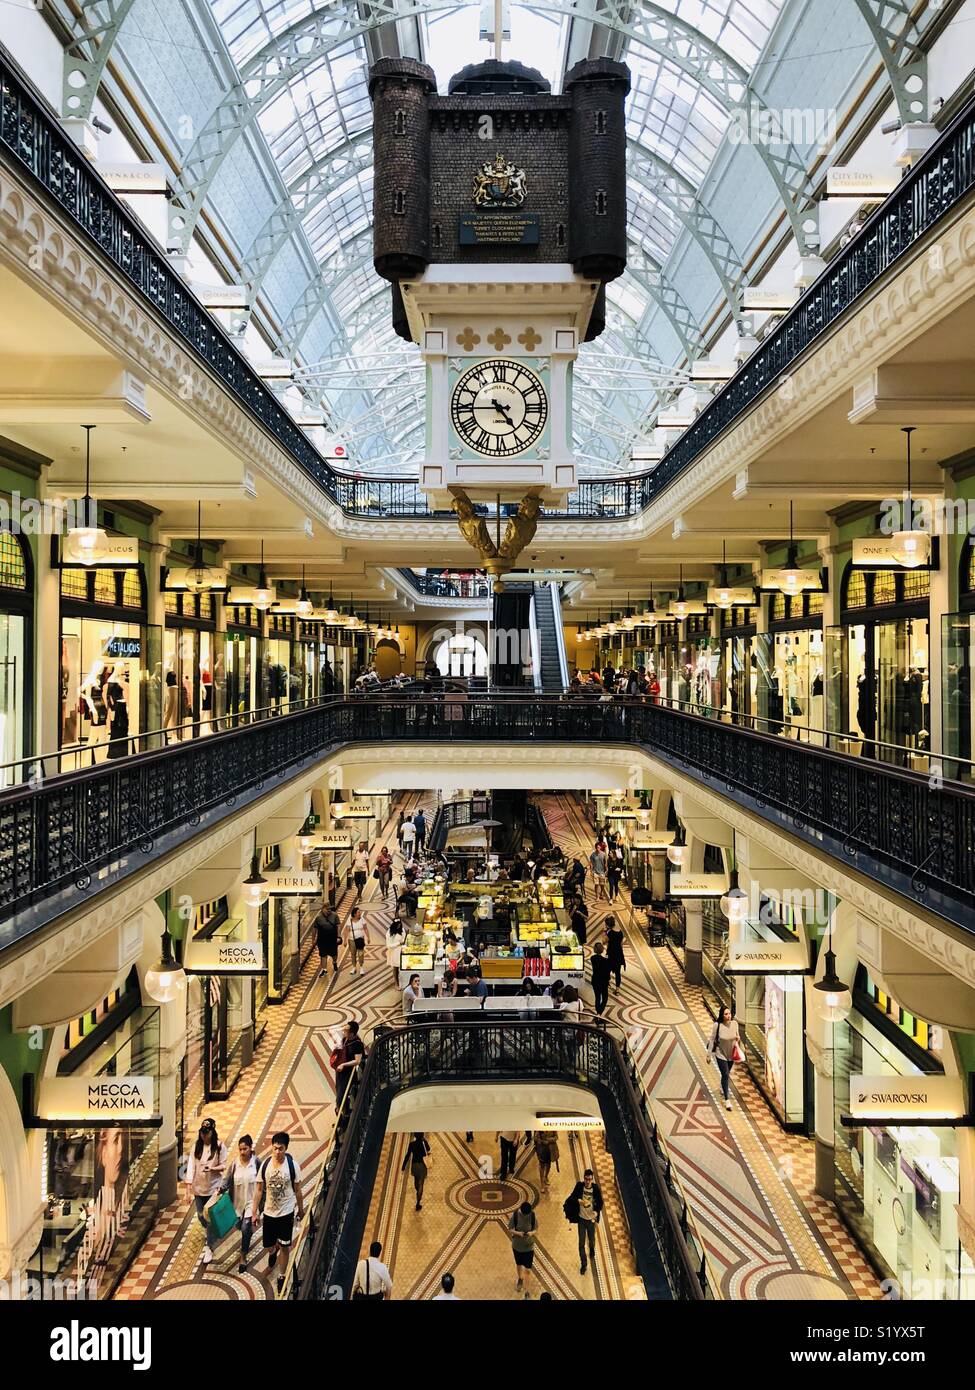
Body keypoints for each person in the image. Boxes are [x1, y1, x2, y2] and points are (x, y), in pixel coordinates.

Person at [252, 1130, 304, 1295]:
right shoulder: (266, 1165)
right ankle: (272, 1251)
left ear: (286, 1148)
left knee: (285, 1246)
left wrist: (301, 1209)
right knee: (268, 1244)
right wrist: (254, 1212)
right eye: (274, 1148)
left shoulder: (292, 1166)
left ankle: (282, 1276)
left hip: (286, 1213)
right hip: (269, 1213)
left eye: (280, 1149)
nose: (277, 1152)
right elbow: (258, 1189)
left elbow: (298, 1190)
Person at [186, 1117, 227, 1266]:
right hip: (198, 1188)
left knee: (208, 1216)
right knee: (200, 1215)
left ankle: (209, 1247)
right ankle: (210, 1230)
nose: (204, 1135)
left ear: (212, 1132)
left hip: (213, 1187)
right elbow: (191, 1167)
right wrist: (187, 1189)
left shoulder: (220, 1147)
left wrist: (212, 1168)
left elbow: (223, 1166)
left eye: (207, 1132)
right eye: (202, 1132)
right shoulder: (196, 1146)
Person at [218, 1133, 260, 1273]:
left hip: (251, 1203)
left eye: (245, 1149)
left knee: (245, 1228)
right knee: (239, 1226)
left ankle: (243, 1255)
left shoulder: (256, 1163)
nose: (242, 1152)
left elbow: (262, 1183)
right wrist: (221, 1189)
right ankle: (247, 1236)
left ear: (250, 1148)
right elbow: (227, 1179)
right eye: (240, 1149)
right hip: (237, 1203)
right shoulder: (235, 1164)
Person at [563, 1168, 603, 1276]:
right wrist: (578, 1200)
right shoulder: (579, 1186)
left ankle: (592, 1248)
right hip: (581, 1219)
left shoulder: (595, 1189)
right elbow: (571, 1197)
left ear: (592, 1179)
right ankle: (584, 1264)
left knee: (591, 1239)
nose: (588, 1181)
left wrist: (596, 1212)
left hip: (591, 1220)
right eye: (586, 1179)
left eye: (589, 1179)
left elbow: (600, 1202)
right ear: (584, 1178)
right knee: (581, 1243)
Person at [707, 1004, 741, 1111]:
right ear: (722, 1015)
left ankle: (722, 1086)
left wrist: (737, 1039)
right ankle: (727, 1100)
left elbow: (737, 1036)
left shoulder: (735, 1024)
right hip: (720, 1054)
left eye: (729, 1013)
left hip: (731, 1054)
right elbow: (712, 1039)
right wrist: (708, 1054)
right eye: (726, 1014)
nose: (728, 1016)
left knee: (725, 1075)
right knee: (725, 1074)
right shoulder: (717, 1025)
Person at [507, 1200, 539, 1297]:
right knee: (519, 1264)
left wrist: (531, 1233)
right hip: (517, 1246)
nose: (526, 1216)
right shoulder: (516, 1215)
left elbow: (536, 1229)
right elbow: (510, 1229)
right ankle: (520, 1278)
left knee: (528, 1270)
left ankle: (527, 1291)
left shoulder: (532, 1215)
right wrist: (518, 1233)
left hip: (529, 1247)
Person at [334, 1019, 365, 1111]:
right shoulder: (345, 1039)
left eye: (346, 1030)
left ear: (352, 1033)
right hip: (340, 1070)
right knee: (339, 1089)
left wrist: (344, 1064)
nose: (343, 1030)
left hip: (348, 1072)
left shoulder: (358, 1044)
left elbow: (357, 1061)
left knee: (342, 1094)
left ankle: (341, 1111)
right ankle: (342, 1109)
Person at [401, 1132, 431, 1211]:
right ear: (422, 1135)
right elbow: (428, 1149)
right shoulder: (424, 1143)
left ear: (415, 1136)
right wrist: (424, 1140)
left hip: (414, 1165)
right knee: (421, 1184)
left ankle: (418, 1192)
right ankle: (418, 1202)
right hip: (422, 1165)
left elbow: (407, 1155)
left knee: (416, 1182)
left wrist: (403, 1166)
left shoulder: (412, 1144)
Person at [314, 902, 341, 978]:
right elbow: (315, 929)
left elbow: (338, 926)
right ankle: (324, 970)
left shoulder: (335, 915)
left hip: (332, 937)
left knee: (334, 953)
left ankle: (334, 962)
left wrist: (339, 936)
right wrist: (313, 939)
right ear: (323, 909)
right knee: (323, 955)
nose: (329, 910)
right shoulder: (318, 918)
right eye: (327, 909)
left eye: (330, 909)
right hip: (322, 939)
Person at [590, 941, 611, 1017]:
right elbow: (607, 972)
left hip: (595, 980)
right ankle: (599, 1013)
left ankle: (598, 1012)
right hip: (603, 982)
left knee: (597, 997)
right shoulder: (605, 960)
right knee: (605, 998)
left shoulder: (592, 958)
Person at [605, 915, 626, 992]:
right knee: (618, 973)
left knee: (607, 969)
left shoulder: (610, 933)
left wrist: (604, 932)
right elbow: (621, 944)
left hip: (611, 954)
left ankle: (607, 982)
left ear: (608, 925)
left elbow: (604, 941)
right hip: (619, 954)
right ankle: (617, 989)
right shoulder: (620, 932)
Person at [346, 905, 367, 975]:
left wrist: (368, 937)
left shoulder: (362, 919)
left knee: (361, 953)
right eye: (358, 912)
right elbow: (346, 930)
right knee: (353, 954)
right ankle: (354, 967)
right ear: (354, 914)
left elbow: (365, 928)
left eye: (359, 912)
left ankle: (361, 967)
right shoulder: (350, 920)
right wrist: (345, 940)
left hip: (360, 939)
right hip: (352, 940)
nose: (359, 913)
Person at [386, 919, 404, 985]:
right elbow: (388, 945)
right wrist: (398, 943)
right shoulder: (389, 933)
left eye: (400, 925)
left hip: (401, 951)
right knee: (395, 968)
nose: (399, 926)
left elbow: (403, 938)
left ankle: (401, 982)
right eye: (398, 925)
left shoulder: (402, 929)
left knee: (401, 968)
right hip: (394, 952)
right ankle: (396, 983)